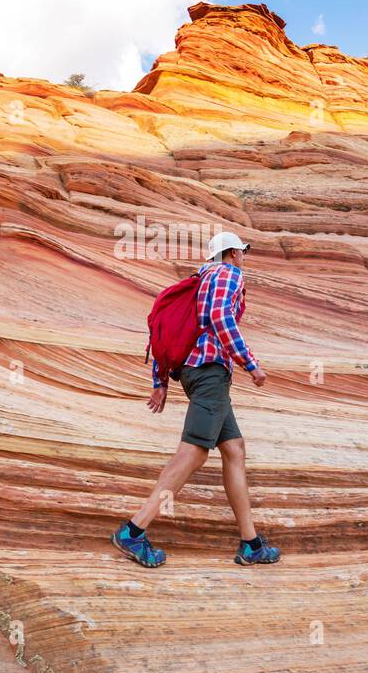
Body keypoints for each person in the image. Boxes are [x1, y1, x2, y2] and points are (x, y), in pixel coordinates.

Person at [111, 231, 281, 568]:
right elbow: (220, 318)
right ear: (232, 253)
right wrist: (250, 363)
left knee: (234, 449)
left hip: (192, 373)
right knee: (194, 453)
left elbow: (163, 329)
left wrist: (160, 381)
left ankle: (251, 544)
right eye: (242, 252)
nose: (243, 257)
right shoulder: (229, 274)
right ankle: (133, 530)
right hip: (210, 374)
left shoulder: (197, 280)